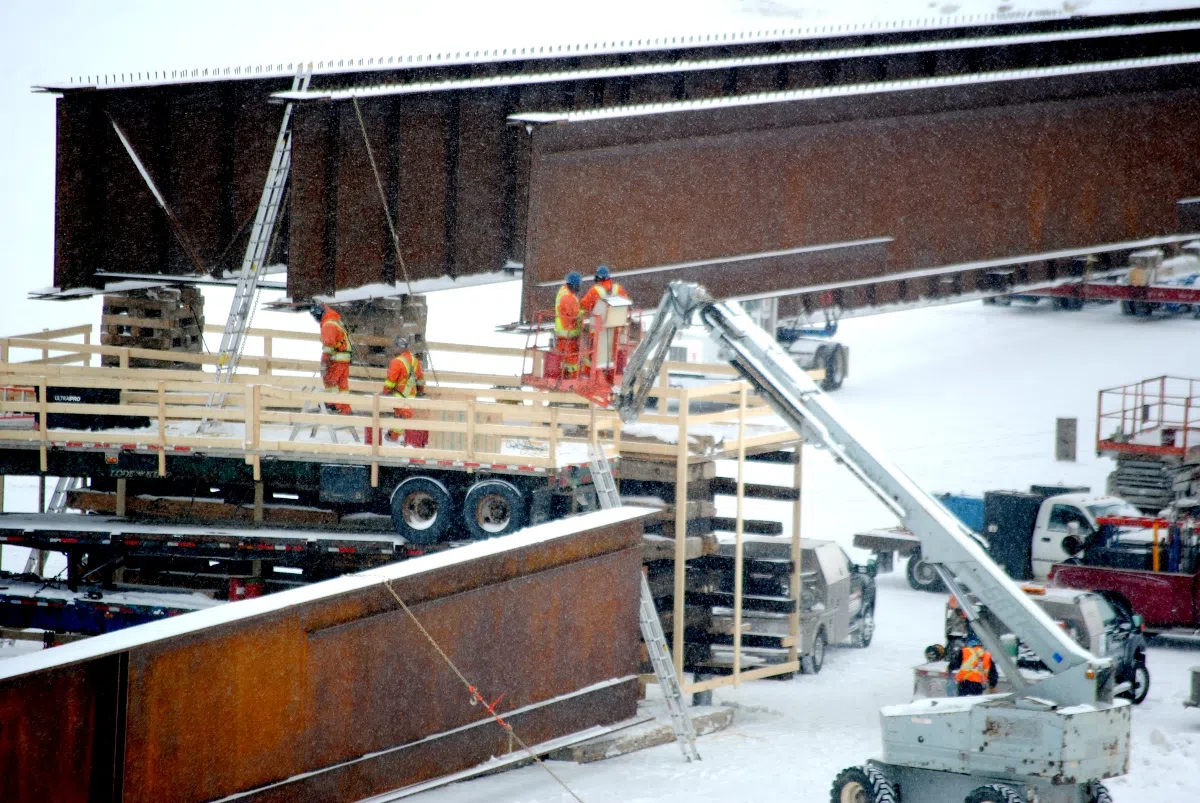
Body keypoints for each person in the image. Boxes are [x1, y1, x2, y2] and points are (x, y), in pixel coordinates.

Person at [382, 337, 426, 445]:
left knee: (401, 416)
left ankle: (394, 437)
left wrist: (386, 392)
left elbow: (390, 381)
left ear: (399, 348)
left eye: (394, 347)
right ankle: (394, 437)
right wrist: (420, 391)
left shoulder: (396, 362)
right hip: (411, 395)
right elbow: (420, 379)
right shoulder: (415, 361)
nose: (392, 350)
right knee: (403, 416)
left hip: (399, 395)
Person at [311, 302, 352, 414]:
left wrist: (324, 363)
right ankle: (345, 407)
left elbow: (329, 347)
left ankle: (333, 404)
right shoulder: (334, 321)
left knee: (330, 381)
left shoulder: (328, 325)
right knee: (342, 385)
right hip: (344, 359)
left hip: (336, 359)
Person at [949, 632, 999, 696]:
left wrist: (950, 669)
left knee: (963, 703)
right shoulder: (987, 655)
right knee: (975, 702)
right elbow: (993, 673)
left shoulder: (965, 651)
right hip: (978, 685)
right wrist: (992, 686)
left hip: (964, 684)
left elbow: (954, 664)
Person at [554, 271, 583, 376]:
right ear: (574, 284)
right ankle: (572, 379)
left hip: (562, 332)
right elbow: (575, 314)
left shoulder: (563, 291)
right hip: (569, 333)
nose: (579, 288)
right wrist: (584, 313)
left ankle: (563, 376)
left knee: (564, 358)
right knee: (572, 360)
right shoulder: (569, 298)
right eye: (578, 285)